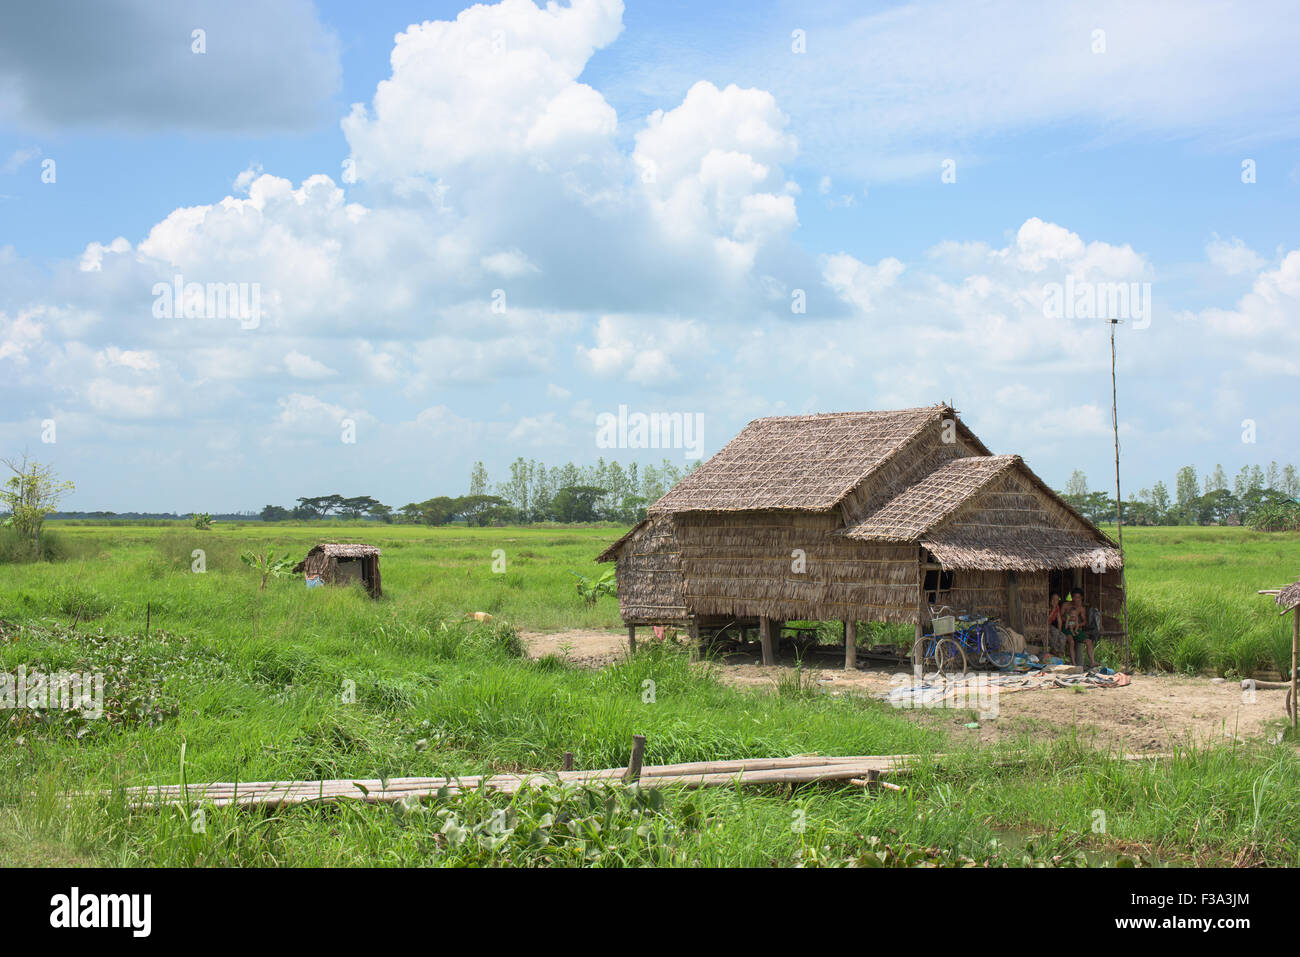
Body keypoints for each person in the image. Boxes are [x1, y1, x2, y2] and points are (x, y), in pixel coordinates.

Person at [1063, 592, 1097, 669]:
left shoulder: (1081, 608)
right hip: (1066, 628)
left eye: (1079, 598)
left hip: (1076, 628)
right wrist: (1067, 621)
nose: (1077, 599)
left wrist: (1077, 625)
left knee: (1089, 641)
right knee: (1071, 642)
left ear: (1081, 598)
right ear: (1072, 597)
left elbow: (1084, 621)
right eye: (1075, 597)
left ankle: (1092, 662)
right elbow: (1060, 617)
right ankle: (1074, 663)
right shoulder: (1066, 605)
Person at [1045, 593, 1070, 660]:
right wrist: (1053, 610)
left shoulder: (1057, 607)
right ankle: (1053, 651)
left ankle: (1060, 653)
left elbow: (1059, 620)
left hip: (1050, 626)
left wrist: (1059, 630)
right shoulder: (1047, 607)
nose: (1055, 601)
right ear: (1050, 600)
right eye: (1053, 599)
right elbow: (1046, 620)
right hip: (1044, 626)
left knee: (1063, 636)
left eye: (1056, 599)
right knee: (1054, 634)